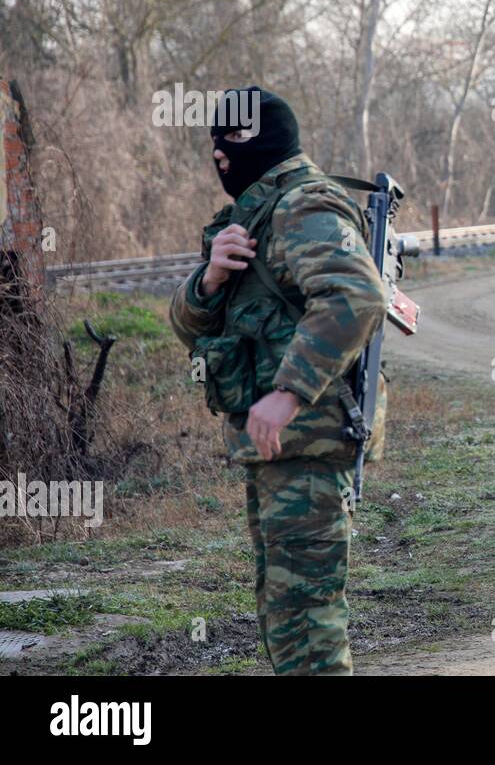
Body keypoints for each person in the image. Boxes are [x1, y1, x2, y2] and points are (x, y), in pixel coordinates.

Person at [169, 87, 386, 673]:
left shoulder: (302, 205)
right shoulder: (249, 216)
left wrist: (287, 394)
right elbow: (192, 330)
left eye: (234, 139)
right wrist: (209, 281)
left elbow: (358, 297)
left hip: (308, 444)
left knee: (307, 626)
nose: (219, 155)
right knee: (285, 616)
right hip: (278, 452)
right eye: (214, 141)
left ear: (272, 138)